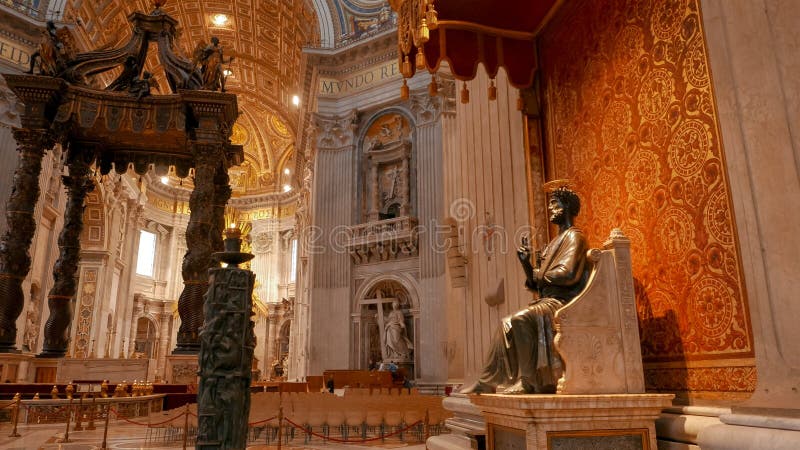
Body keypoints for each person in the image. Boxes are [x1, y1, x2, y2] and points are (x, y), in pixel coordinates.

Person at [461, 186, 589, 395]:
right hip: (547, 300)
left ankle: (529, 382)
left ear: (567, 207)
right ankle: (488, 381)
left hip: (564, 302)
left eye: (555, 204)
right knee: (506, 324)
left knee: (520, 319)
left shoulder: (575, 238)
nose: (550, 208)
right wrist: (526, 264)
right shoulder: (554, 242)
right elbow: (537, 284)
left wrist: (537, 274)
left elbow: (567, 275)